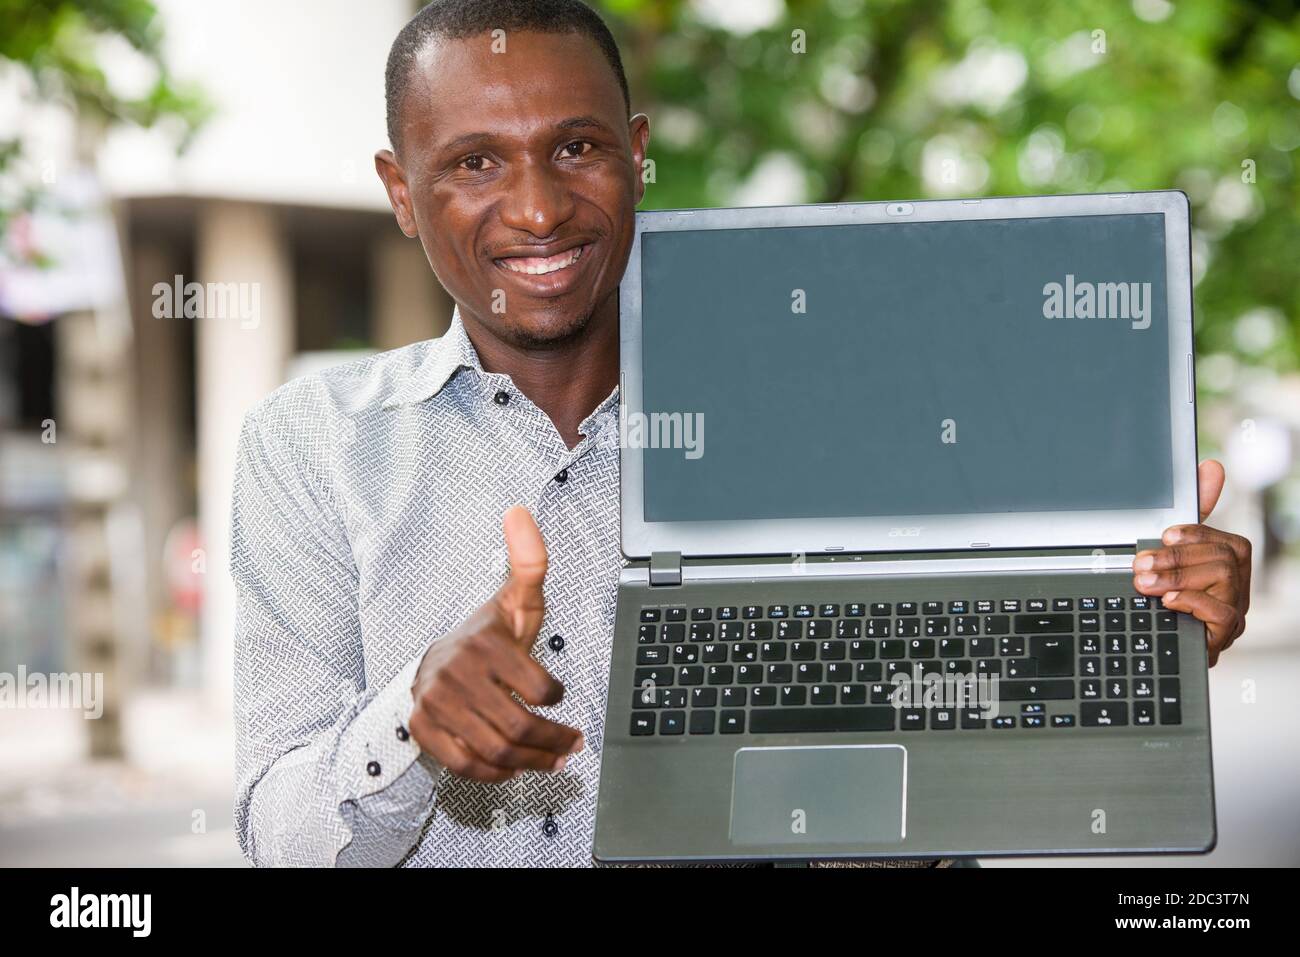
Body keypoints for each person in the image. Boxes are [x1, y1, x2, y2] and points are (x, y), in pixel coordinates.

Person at [231, 0, 1252, 867]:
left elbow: (922, 761)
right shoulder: (310, 444)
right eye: (474, 163)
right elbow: (276, 834)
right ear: (401, 191)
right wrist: (412, 715)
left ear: (635, 156)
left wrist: (1129, 640)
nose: (537, 209)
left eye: (575, 148)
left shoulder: (832, 415)